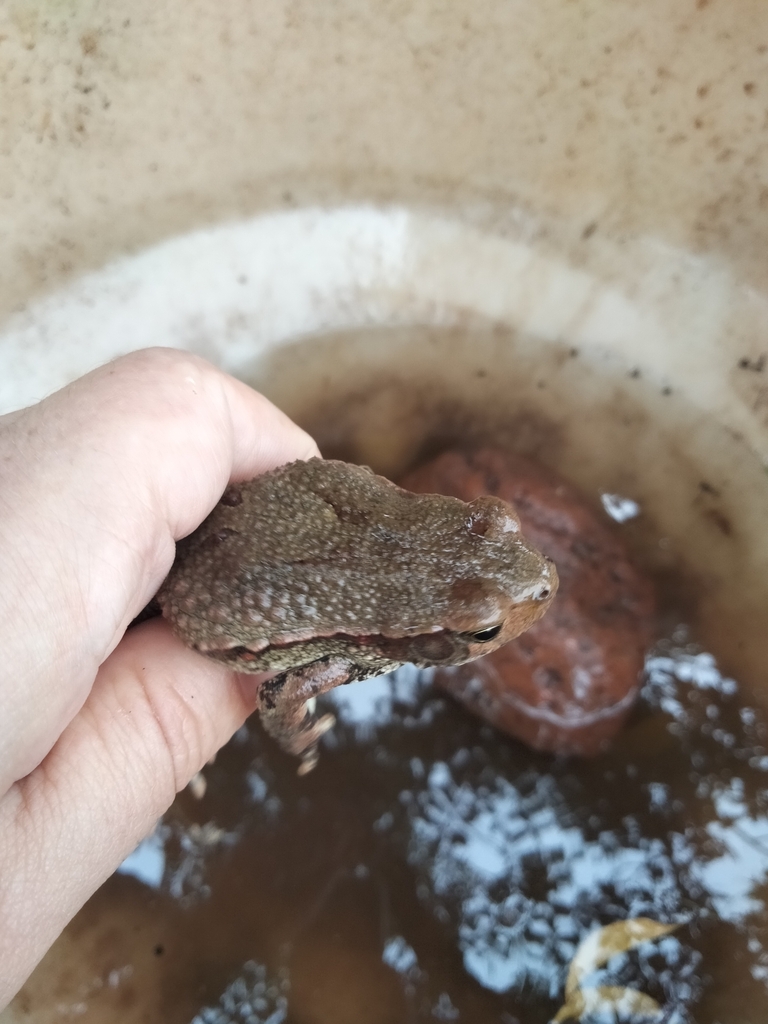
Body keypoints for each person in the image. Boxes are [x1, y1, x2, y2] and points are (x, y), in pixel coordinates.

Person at [0, 348, 319, 1009]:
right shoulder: (347, 652)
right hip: (202, 606)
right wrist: (293, 735)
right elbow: (280, 689)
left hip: (223, 532)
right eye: (482, 631)